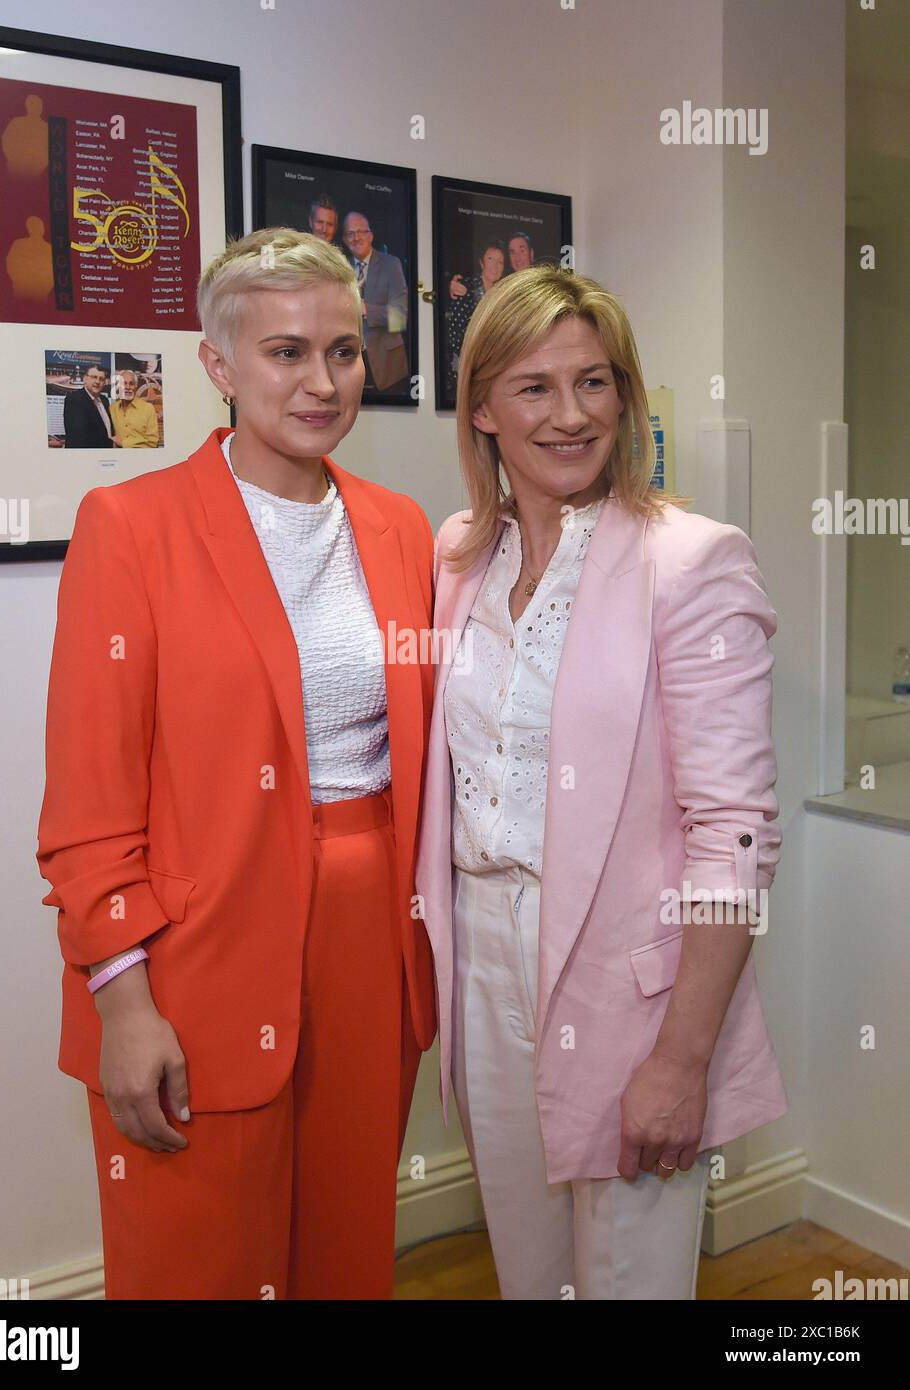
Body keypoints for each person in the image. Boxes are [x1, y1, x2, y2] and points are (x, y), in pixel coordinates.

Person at [36, 226, 437, 1300]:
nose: (322, 381)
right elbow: (87, 798)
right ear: (218, 365)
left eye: (344, 352)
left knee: (346, 1251)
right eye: (287, 353)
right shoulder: (130, 526)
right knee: (196, 1264)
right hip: (193, 956)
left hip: (367, 944)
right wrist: (123, 1000)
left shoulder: (400, 529)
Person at [415, 264, 787, 1300]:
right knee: (528, 1276)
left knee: (626, 1281)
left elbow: (736, 833)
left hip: (630, 982)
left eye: (594, 382)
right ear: (482, 408)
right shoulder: (458, 559)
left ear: (624, 394)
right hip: (486, 959)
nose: (570, 414)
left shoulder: (691, 561)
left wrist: (680, 1058)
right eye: (533, 387)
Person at [341, 212, 409, 392]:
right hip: (349, 365)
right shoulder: (339, 269)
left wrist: (366, 310)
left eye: (362, 232)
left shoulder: (391, 265)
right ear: (345, 239)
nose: (356, 238)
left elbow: (400, 317)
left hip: (387, 367)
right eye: (351, 233)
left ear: (371, 235)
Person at [445, 241, 506, 390]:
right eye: (490, 259)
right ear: (481, 262)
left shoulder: (505, 294)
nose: (495, 265)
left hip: (497, 368)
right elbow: (456, 335)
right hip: (468, 367)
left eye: (500, 262)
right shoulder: (465, 287)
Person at [63, 365, 117, 448]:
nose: (97, 381)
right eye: (94, 377)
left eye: (101, 379)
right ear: (85, 379)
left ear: (104, 382)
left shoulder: (104, 400)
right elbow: (79, 436)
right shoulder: (74, 399)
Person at [109, 369, 160, 448]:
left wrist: (125, 443)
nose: (128, 387)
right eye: (124, 383)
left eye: (131, 384)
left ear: (136, 387)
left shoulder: (148, 409)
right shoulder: (112, 409)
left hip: (141, 458)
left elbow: (152, 441)